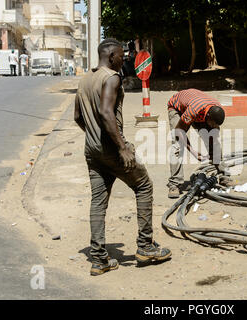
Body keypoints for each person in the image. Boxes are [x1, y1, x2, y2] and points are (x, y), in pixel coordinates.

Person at [74, 38, 171, 276]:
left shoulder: (85, 79)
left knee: (98, 202)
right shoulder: (112, 77)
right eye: (120, 55)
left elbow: (78, 116)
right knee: (144, 186)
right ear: (110, 56)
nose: (124, 58)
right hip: (112, 149)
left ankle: (99, 259)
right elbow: (106, 112)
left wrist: (94, 136)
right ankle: (146, 247)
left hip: (92, 150)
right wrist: (122, 147)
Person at [166, 89, 234, 198]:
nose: (213, 127)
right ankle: (175, 184)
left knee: (215, 144)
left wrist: (213, 146)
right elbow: (179, 132)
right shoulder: (193, 110)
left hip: (197, 106)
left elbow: (214, 136)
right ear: (207, 118)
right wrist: (193, 151)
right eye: (212, 124)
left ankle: (223, 175)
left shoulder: (216, 108)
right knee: (178, 145)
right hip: (177, 107)